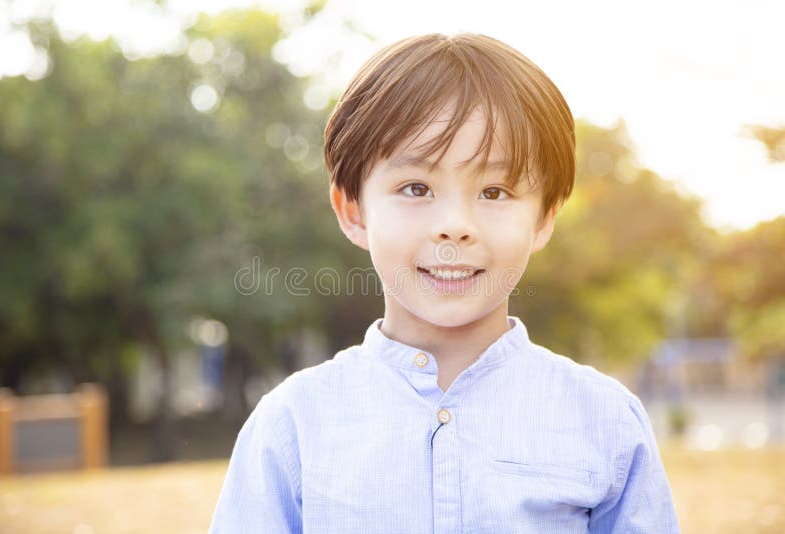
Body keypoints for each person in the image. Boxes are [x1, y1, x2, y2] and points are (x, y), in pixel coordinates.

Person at [209, 33, 680, 533]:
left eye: (494, 191)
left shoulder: (605, 422)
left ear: (544, 217)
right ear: (353, 210)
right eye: (416, 188)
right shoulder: (292, 426)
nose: (454, 226)